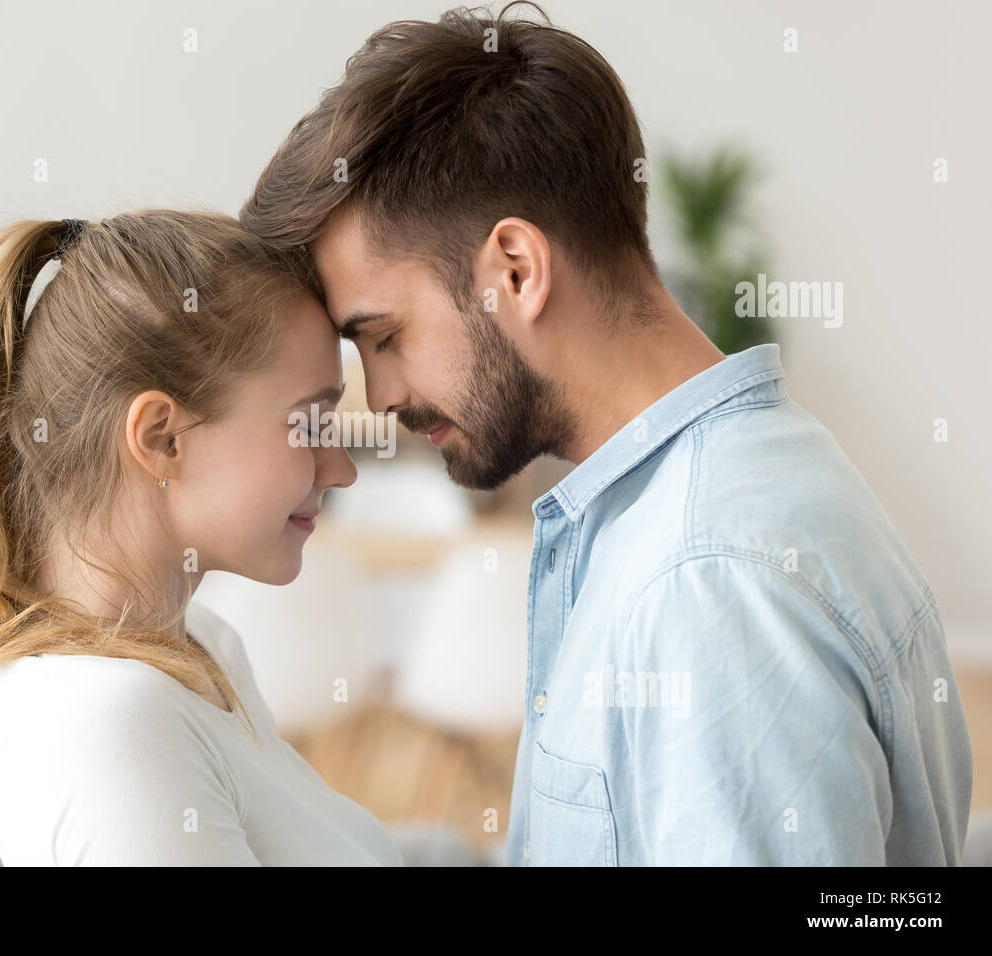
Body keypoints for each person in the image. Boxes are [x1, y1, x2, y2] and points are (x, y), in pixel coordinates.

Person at [239, 2, 974, 864]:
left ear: (515, 272)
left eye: (385, 336)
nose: (386, 391)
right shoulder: (713, 500)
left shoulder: (706, 583)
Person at [0, 210, 402, 865]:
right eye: (309, 423)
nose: (341, 469)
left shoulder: (203, 648)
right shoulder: (112, 720)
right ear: (160, 437)